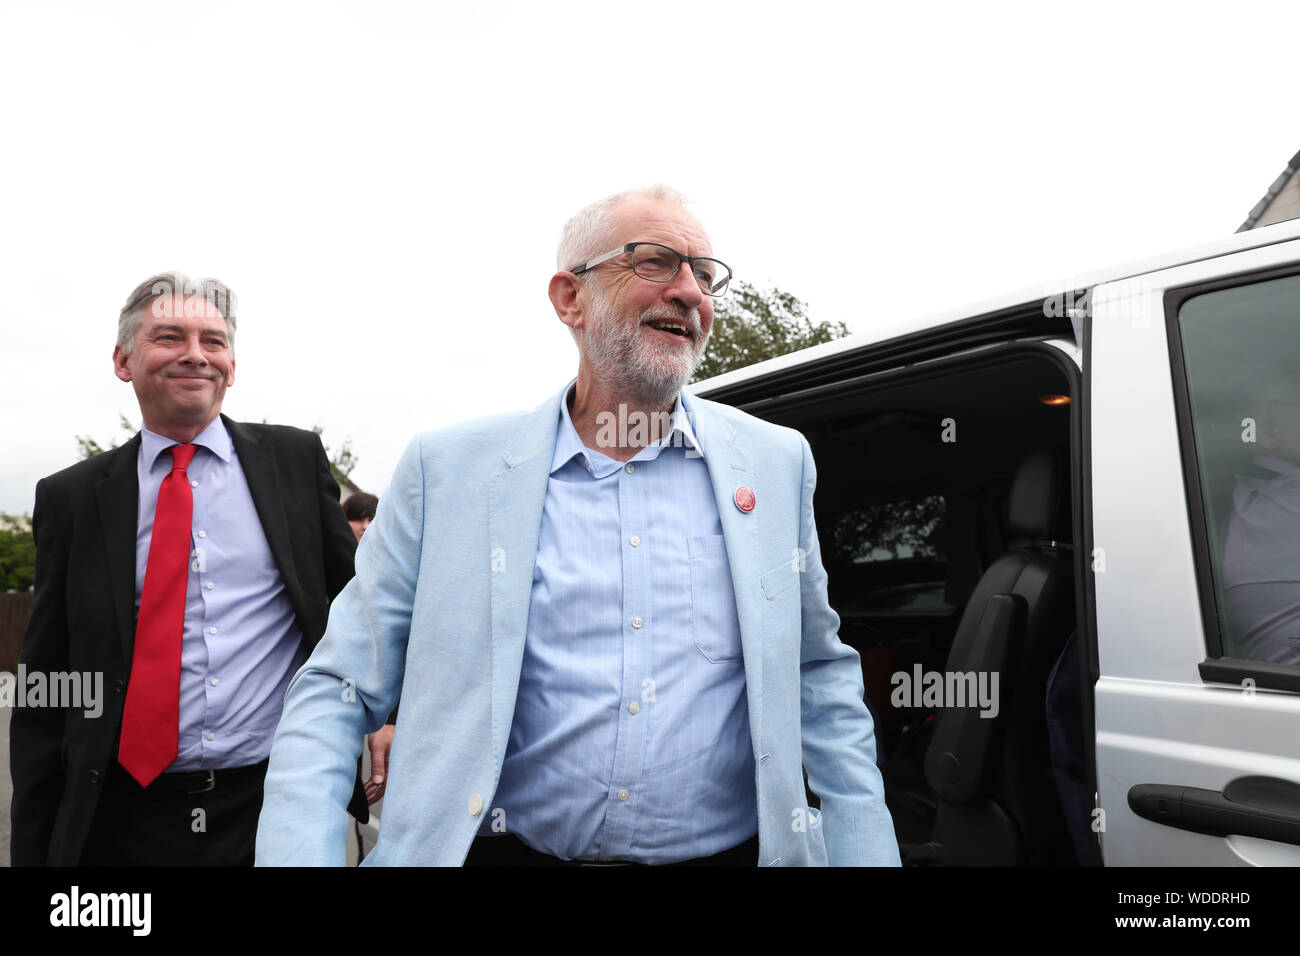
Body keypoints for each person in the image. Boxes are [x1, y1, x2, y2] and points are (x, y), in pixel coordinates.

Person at [256, 187, 900, 866]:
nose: (690, 292)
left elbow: (819, 678)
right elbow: (338, 688)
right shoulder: (447, 473)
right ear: (570, 298)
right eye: (655, 263)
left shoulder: (774, 464)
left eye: (704, 275)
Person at [9, 273, 371, 866]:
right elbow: (45, 680)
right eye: (170, 337)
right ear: (124, 361)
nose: (196, 355)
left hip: (275, 805)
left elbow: (359, 609)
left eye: (214, 340)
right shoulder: (72, 498)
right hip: (123, 814)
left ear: (232, 364)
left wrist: (385, 717)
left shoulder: (295, 463)